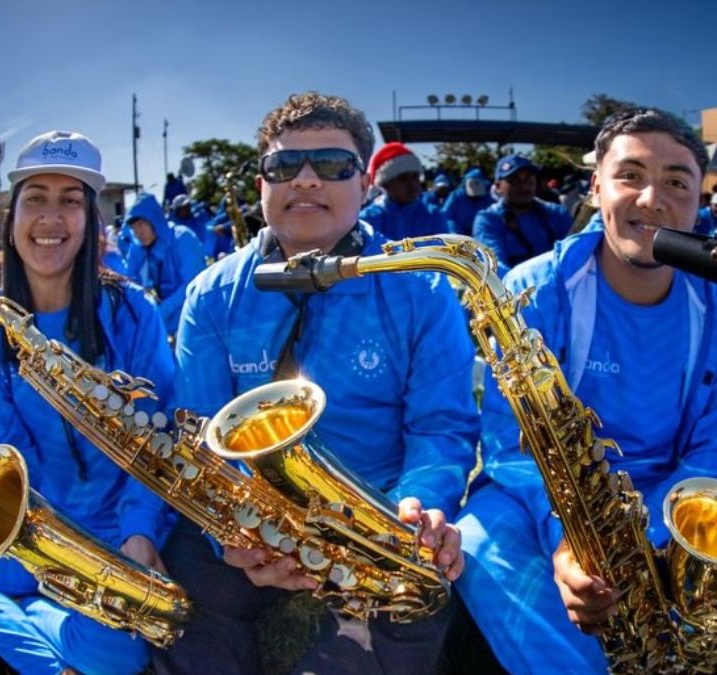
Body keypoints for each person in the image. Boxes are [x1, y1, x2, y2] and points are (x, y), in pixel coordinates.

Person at [454, 106, 717, 673]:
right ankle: (659, 641)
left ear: (698, 199)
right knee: (476, 541)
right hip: (551, 506)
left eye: (675, 182)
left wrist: (660, 538)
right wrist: (571, 545)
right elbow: (510, 448)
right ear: (596, 187)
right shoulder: (533, 291)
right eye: (630, 176)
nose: (651, 199)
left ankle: (657, 633)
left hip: (672, 504)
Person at [157, 92, 477, 675]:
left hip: (378, 515)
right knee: (185, 609)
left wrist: (417, 508)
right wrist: (230, 534)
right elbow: (202, 436)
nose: (305, 180)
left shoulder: (423, 288)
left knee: (403, 625)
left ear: (364, 186)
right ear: (261, 186)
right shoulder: (209, 295)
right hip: (255, 520)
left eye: (332, 165)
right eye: (284, 167)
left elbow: (440, 426)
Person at [0, 130, 175, 674]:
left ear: (90, 222)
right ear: (13, 220)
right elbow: (9, 456)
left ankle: (24, 622)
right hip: (43, 533)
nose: (51, 218)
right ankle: (53, 646)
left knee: (118, 651)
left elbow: (159, 440)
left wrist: (140, 533)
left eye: (70, 200)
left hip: (123, 534)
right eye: (36, 199)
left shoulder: (133, 313)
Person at [472, 155, 573, 278]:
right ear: (498, 187)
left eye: (529, 179)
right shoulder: (488, 220)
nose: (524, 186)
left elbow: (573, 257)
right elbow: (496, 268)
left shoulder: (556, 213)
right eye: (514, 180)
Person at [122, 193, 206, 334]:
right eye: (134, 228)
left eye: (141, 225)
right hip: (166, 322)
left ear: (154, 220)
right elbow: (128, 281)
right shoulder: (140, 245)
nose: (138, 233)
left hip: (195, 319)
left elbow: (192, 286)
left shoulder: (182, 238)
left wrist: (160, 312)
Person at [358, 142, 448, 241]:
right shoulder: (367, 220)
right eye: (403, 178)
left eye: (415, 176)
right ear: (386, 184)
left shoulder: (433, 215)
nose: (412, 184)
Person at [441, 168, 492, 236]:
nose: (475, 198)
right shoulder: (455, 196)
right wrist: (455, 233)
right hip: (458, 236)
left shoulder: (486, 198)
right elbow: (446, 216)